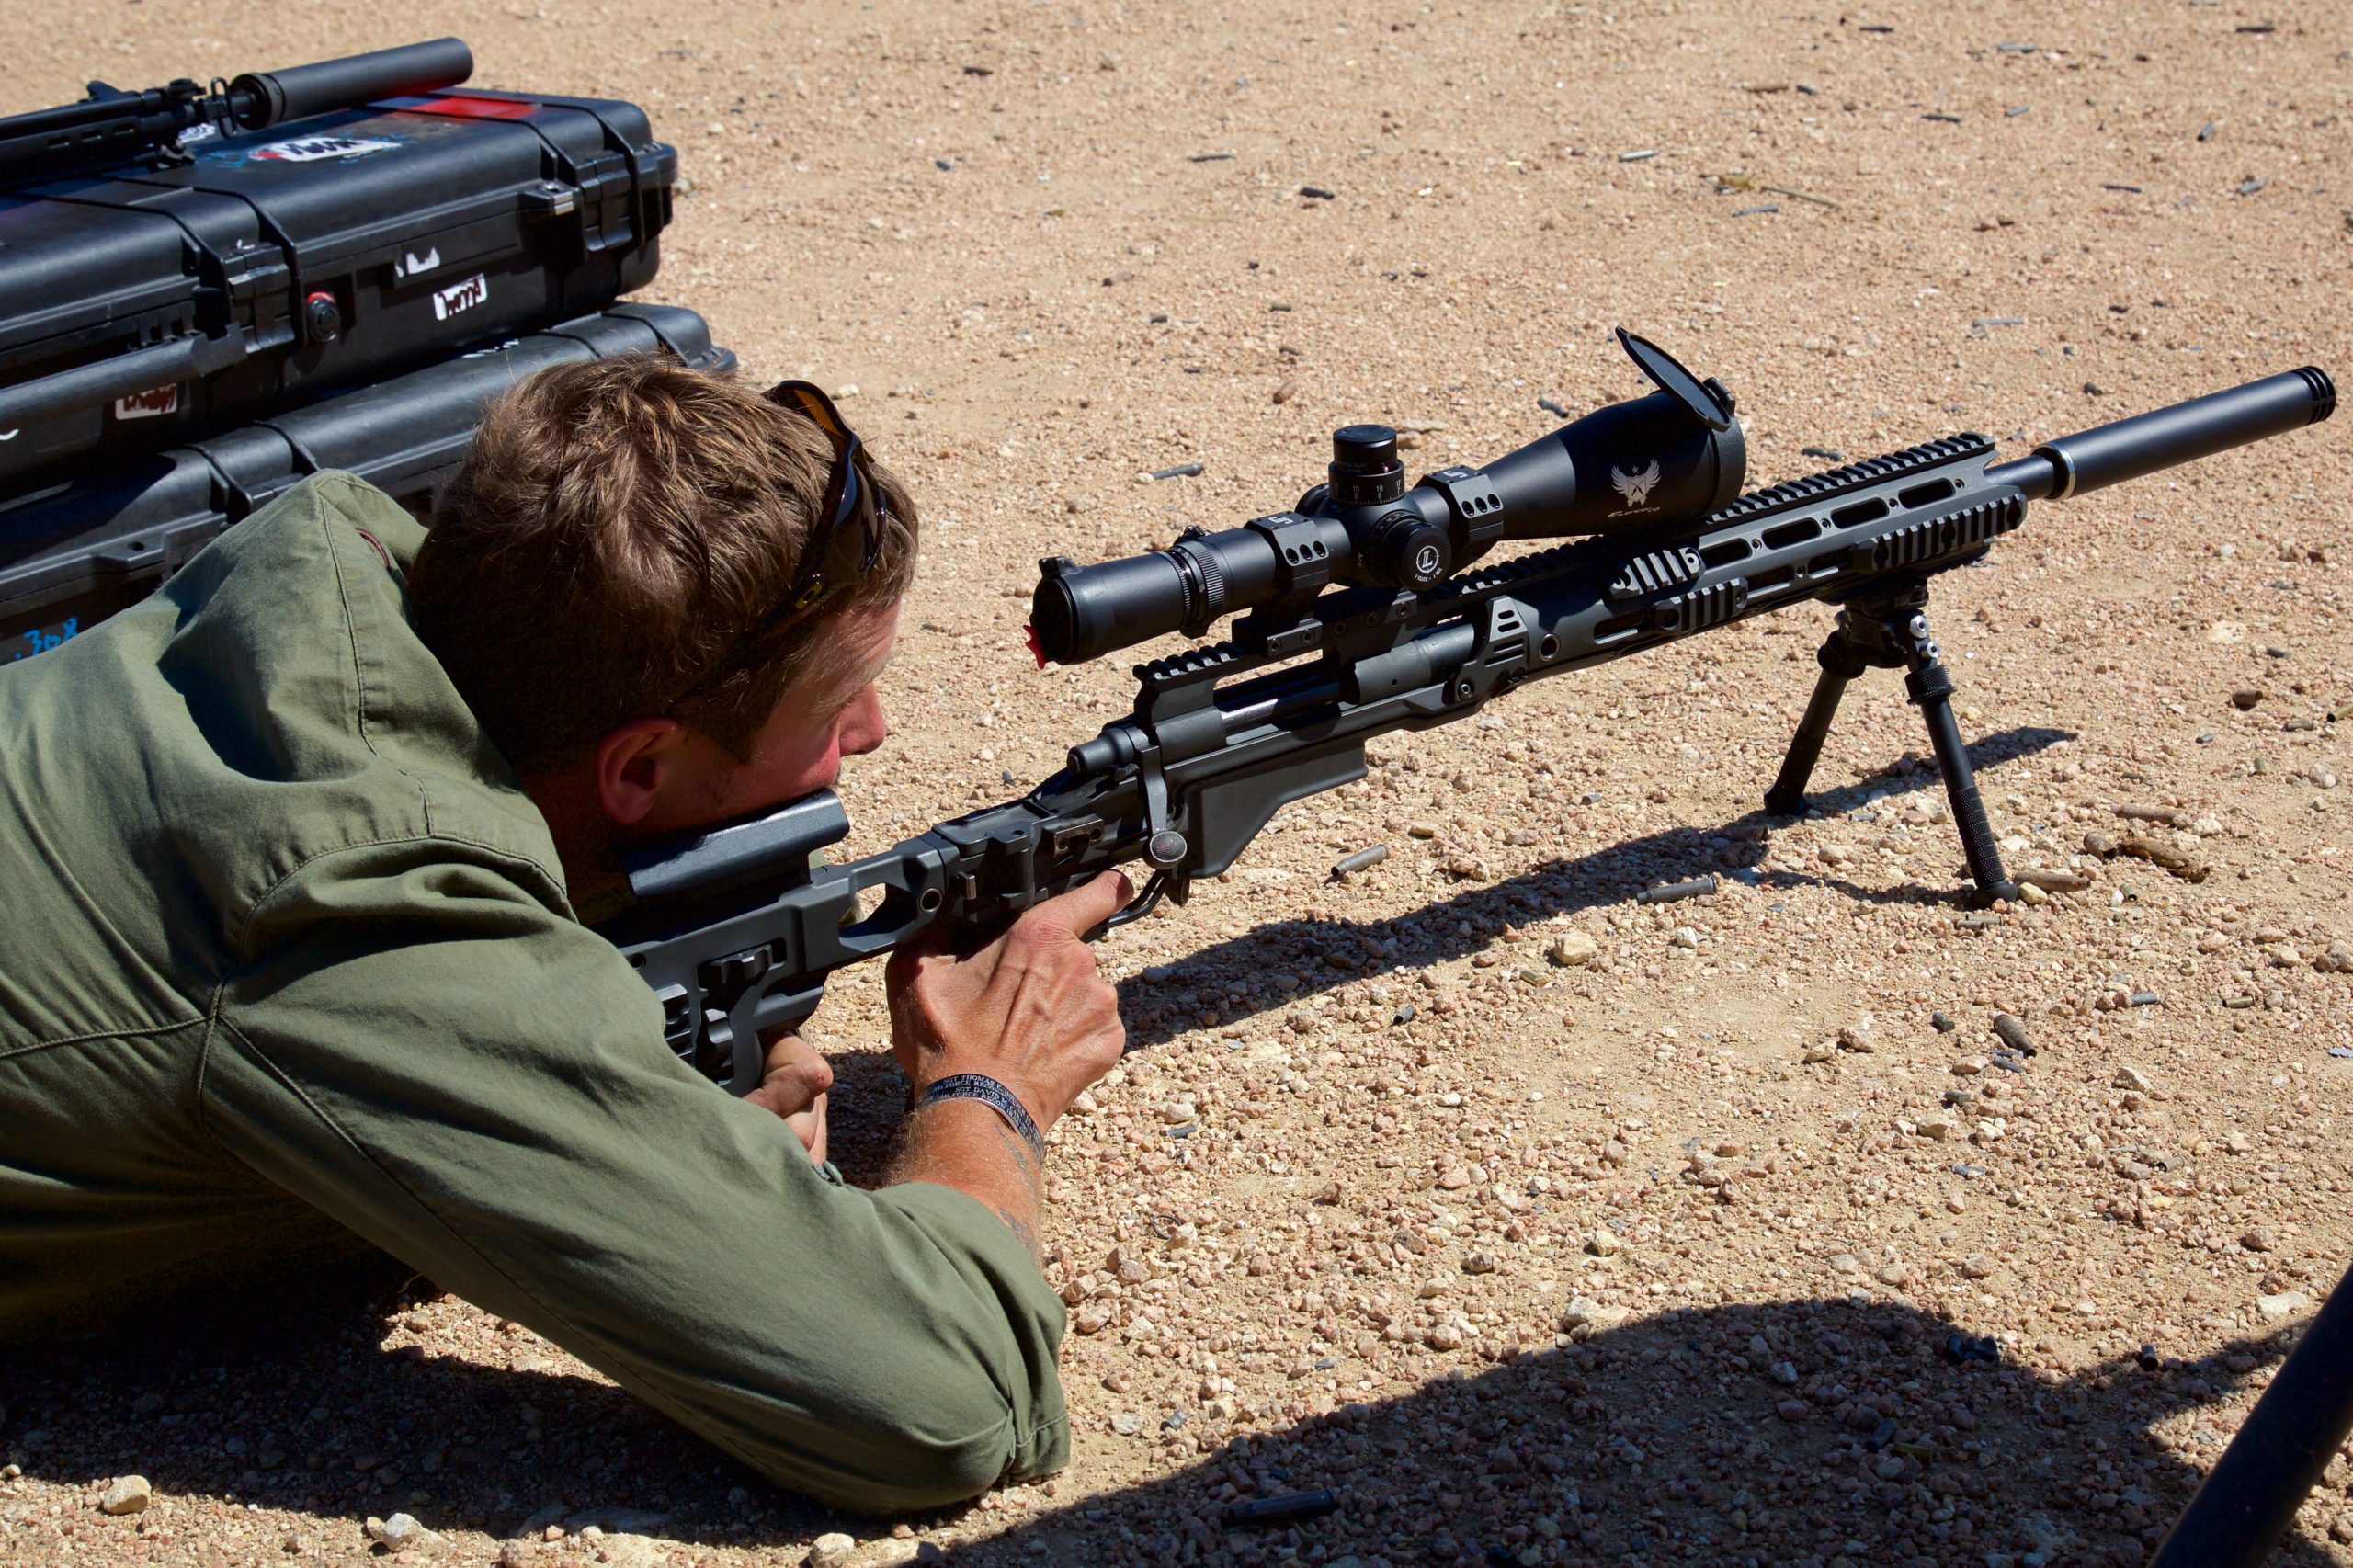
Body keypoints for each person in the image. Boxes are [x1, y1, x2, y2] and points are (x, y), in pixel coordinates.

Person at [0, 355, 1131, 1512]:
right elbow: (937, 1399)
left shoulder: (341, 569)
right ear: (636, 767)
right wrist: (988, 1090)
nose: (874, 730)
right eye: (838, 702)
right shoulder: (357, 911)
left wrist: (646, 1100)